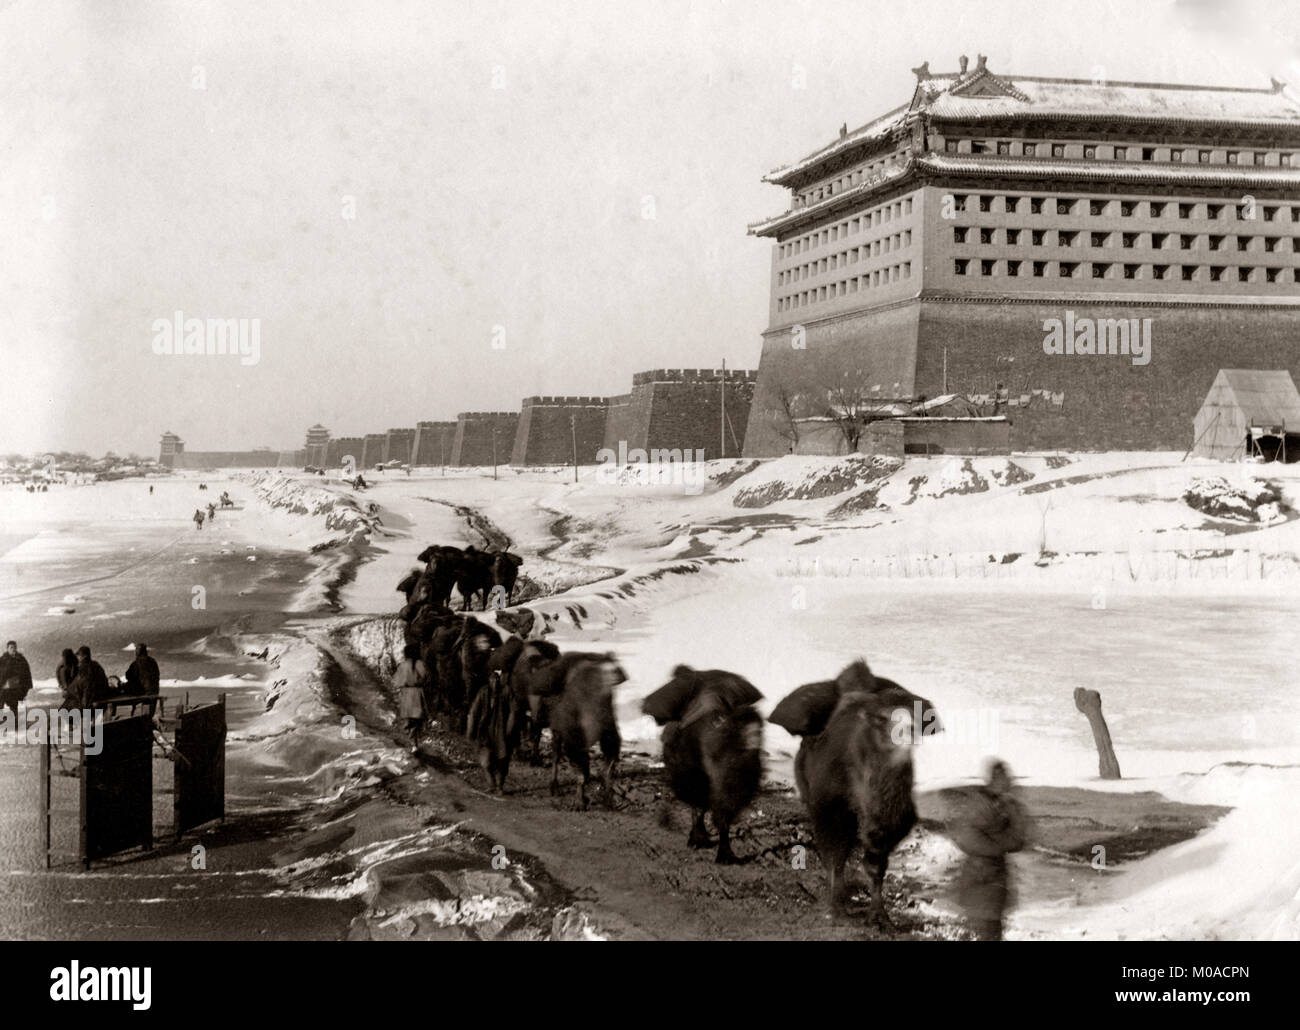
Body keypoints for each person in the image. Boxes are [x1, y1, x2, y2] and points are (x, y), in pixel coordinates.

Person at [950, 759, 1028, 941]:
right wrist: (1000, 844)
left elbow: (1019, 841)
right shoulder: (978, 804)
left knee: (992, 930)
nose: (1010, 782)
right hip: (980, 878)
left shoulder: (1008, 806)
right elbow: (966, 838)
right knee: (984, 930)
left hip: (995, 880)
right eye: (1005, 778)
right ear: (995, 779)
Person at [392, 643, 429, 753]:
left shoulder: (403, 665)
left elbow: (396, 682)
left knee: (409, 721)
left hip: (407, 695)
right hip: (418, 694)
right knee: (417, 720)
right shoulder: (421, 664)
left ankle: (413, 743)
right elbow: (427, 678)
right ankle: (416, 743)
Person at [0, 640, 34, 721]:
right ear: (7, 649)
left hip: (15, 687)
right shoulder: (3, 660)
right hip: (3, 687)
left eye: (15, 647)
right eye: (11, 647)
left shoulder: (21, 659)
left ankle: (13, 721)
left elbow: (26, 672)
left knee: (14, 704)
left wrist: (26, 686)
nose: (13, 649)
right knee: (1, 704)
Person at [124, 643, 160, 716]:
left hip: (144, 692)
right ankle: (147, 723)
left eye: (136, 650)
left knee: (100, 705)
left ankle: (98, 727)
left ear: (138, 652)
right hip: (154, 691)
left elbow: (128, 676)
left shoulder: (137, 663)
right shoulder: (153, 661)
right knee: (149, 714)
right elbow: (157, 675)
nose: (135, 652)